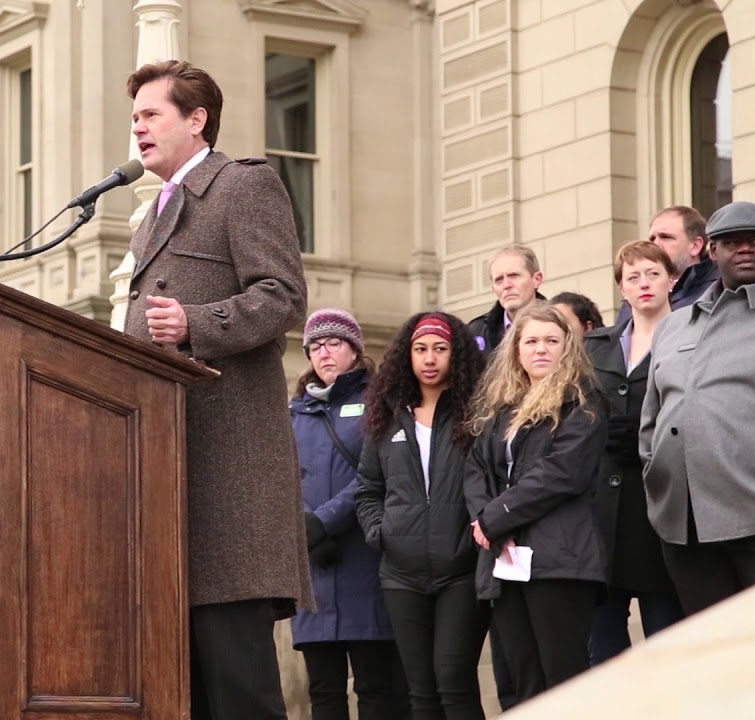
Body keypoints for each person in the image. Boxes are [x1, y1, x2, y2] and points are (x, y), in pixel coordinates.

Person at [122, 60, 311, 719]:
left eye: (151, 114)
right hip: (170, 478)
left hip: (227, 481)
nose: (138, 127)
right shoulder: (151, 216)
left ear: (197, 119)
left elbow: (283, 297)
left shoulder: (242, 185)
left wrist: (196, 323)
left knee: (241, 695)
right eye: (135, 116)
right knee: (188, 698)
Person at [640, 201, 755, 616]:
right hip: (686, 526)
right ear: (712, 251)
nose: (746, 248)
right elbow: (652, 417)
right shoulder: (675, 325)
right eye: (733, 242)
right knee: (716, 650)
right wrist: (655, 471)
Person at [465, 302, 608, 706]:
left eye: (551, 340)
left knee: (564, 682)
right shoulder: (504, 407)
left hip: (560, 557)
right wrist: (486, 523)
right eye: (530, 341)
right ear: (516, 350)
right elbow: (476, 468)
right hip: (506, 558)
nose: (540, 349)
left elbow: (563, 472)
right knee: (525, 682)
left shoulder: (583, 401)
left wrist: (496, 517)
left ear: (568, 347)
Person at [356, 313, 490, 720]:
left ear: (456, 354)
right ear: (407, 355)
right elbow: (368, 488)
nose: (429, 359)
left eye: (440, 349)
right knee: (421, 693)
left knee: (454, 682)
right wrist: (382, 533)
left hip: (461, 571)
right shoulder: (388, 414)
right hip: (401, 575)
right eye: (420, 349)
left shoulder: (477, 413)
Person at [291, 309, 410, 720]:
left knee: (375, 688)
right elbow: (280, 478)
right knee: (323, 690)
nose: (324, 352)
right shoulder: (294, 412)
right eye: (315, 346)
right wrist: (305, 526)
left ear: (355, 350)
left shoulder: (379, 403)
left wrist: (322, 521)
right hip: (314, 570)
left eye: (334, 343)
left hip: (364, 562)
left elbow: (376, 475)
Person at [583, 242, 684, 666]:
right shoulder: (594, 347)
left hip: (663, 512)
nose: (643, 284)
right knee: (603, 655)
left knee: (668, 647)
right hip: (602, 519)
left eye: (653, 273)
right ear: (621, 288)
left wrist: (650, 442)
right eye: (632, 277)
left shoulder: (692, 336)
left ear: (672, 280)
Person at [615, 206, 719, 326]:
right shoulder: (635, 297)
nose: (656, 245)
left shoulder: (717, 289)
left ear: (695, 246)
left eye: (666, 237)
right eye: (652, 239)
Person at [468, 245, 546, 355]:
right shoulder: (476, 332)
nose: (506, 285)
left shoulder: (561, 324)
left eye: (514, 276)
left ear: (537, 280)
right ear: (493, 288)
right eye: (499, 280)